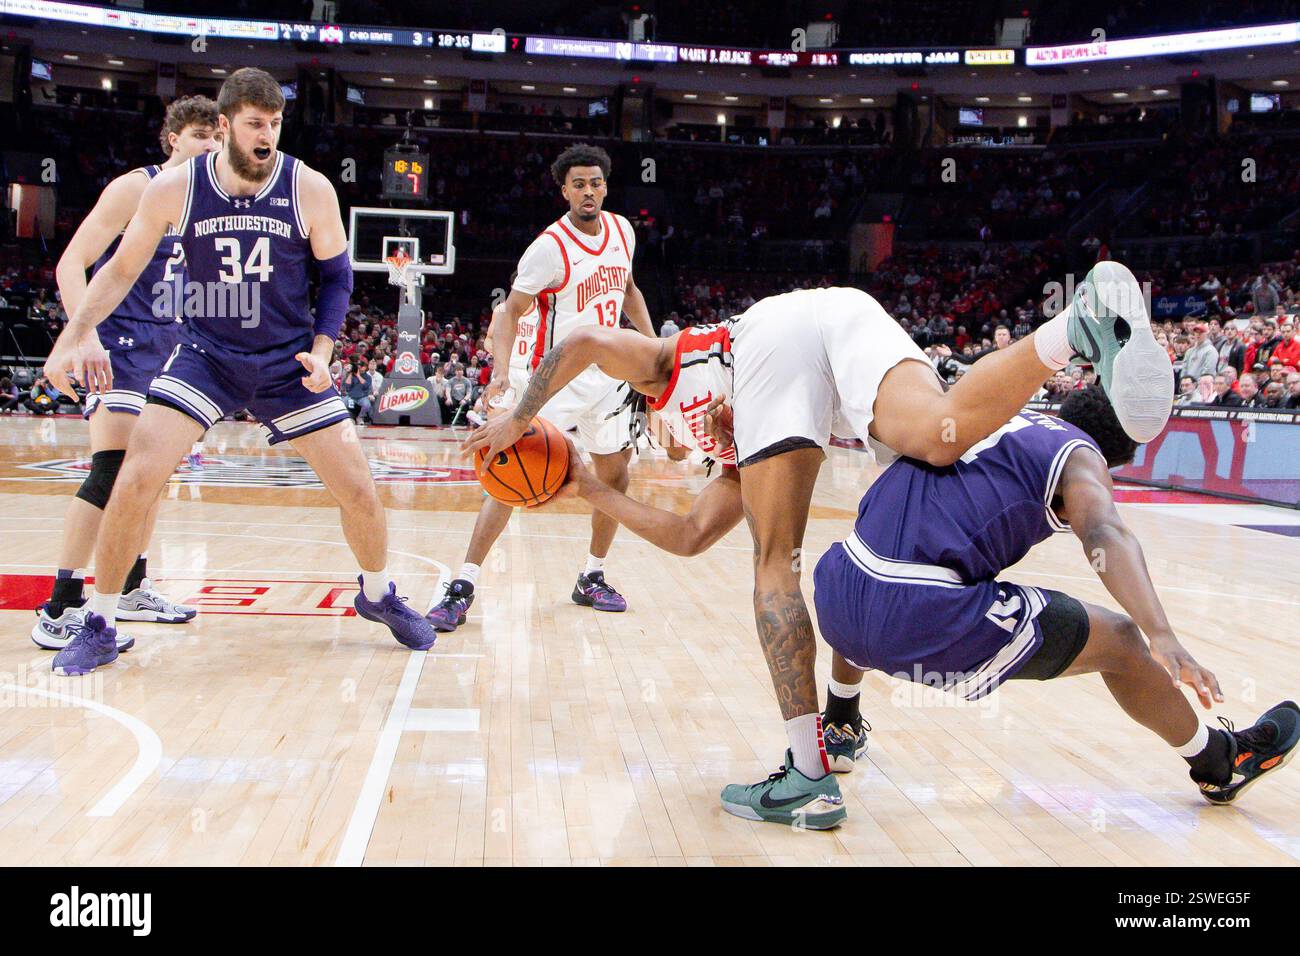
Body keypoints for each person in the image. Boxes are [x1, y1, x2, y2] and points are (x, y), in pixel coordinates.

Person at [466, 261, 1174, 827]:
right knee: (937, 431)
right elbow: (687, 536)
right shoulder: (740, 439)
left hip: (771, 341)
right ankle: (1072, 330)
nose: (687, 441)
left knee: (776, 563)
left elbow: (584, 340)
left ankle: (808, 775)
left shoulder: (666, 364)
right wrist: (590, 488)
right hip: (842, 318)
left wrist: (516, 413)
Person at [550, 388, 1299, 823]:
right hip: (921, 615)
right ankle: (1217, 760)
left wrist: (740, 426)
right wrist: (1167, 633)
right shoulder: (1079, 456)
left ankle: (839, 721)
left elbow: (856, 422)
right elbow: (1102, 525)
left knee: (876, 548)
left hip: (836, 597)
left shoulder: (982, 406)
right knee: (1123, 642)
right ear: (1117, 448)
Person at [42, 68, 435, 675]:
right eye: (256, 124)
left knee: (358, 488)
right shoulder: (174, 188)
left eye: (275, 123)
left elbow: (337, 278)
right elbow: (117, 272)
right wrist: (72, 337)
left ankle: (378, 594)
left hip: (286, 361)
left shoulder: (308, 186)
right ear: (225, 125)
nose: (267, 136)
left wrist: (325, 350)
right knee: (135, 475)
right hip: (205, 355)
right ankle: (99, 620)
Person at [427, 143, 656, 632]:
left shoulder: (623, 231)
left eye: (595, 182)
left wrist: (653, 348)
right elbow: (510, 310)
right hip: (556, 379)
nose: (588, 191)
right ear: (564, 190)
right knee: (508, 479)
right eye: (578, 184)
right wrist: (503, 371)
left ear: (605, 185)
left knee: (615, 476)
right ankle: (462, 584)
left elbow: (629, 290)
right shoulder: (548, 246)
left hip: (611, 377)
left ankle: (591, 576)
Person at [31, 97, 221, 653]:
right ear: (173, 139)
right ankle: (60, 605)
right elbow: (71, 262)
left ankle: (133, 586)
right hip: (114, 342)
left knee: (152, 471)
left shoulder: (208, 200)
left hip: (169, 345)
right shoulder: (135, 188)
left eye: (216, 138)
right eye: (198, 136)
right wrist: (80, 335)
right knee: (112, 470)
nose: (208, 146)